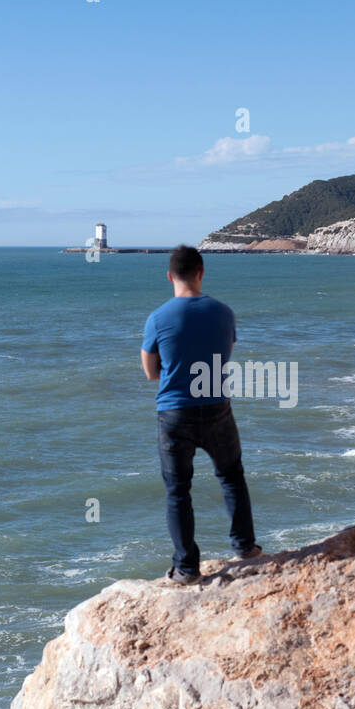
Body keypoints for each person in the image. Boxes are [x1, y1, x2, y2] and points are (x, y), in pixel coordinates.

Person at [141, 245, 260, 583]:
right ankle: (246, 548)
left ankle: (187, 568)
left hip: (175, 412)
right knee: (232, 477)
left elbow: (150, 372)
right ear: (201, 272)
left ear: (169, 276)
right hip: (217, 406)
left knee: (178, 490)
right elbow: (225, 355)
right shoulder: (224, 312)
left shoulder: (158, 318)